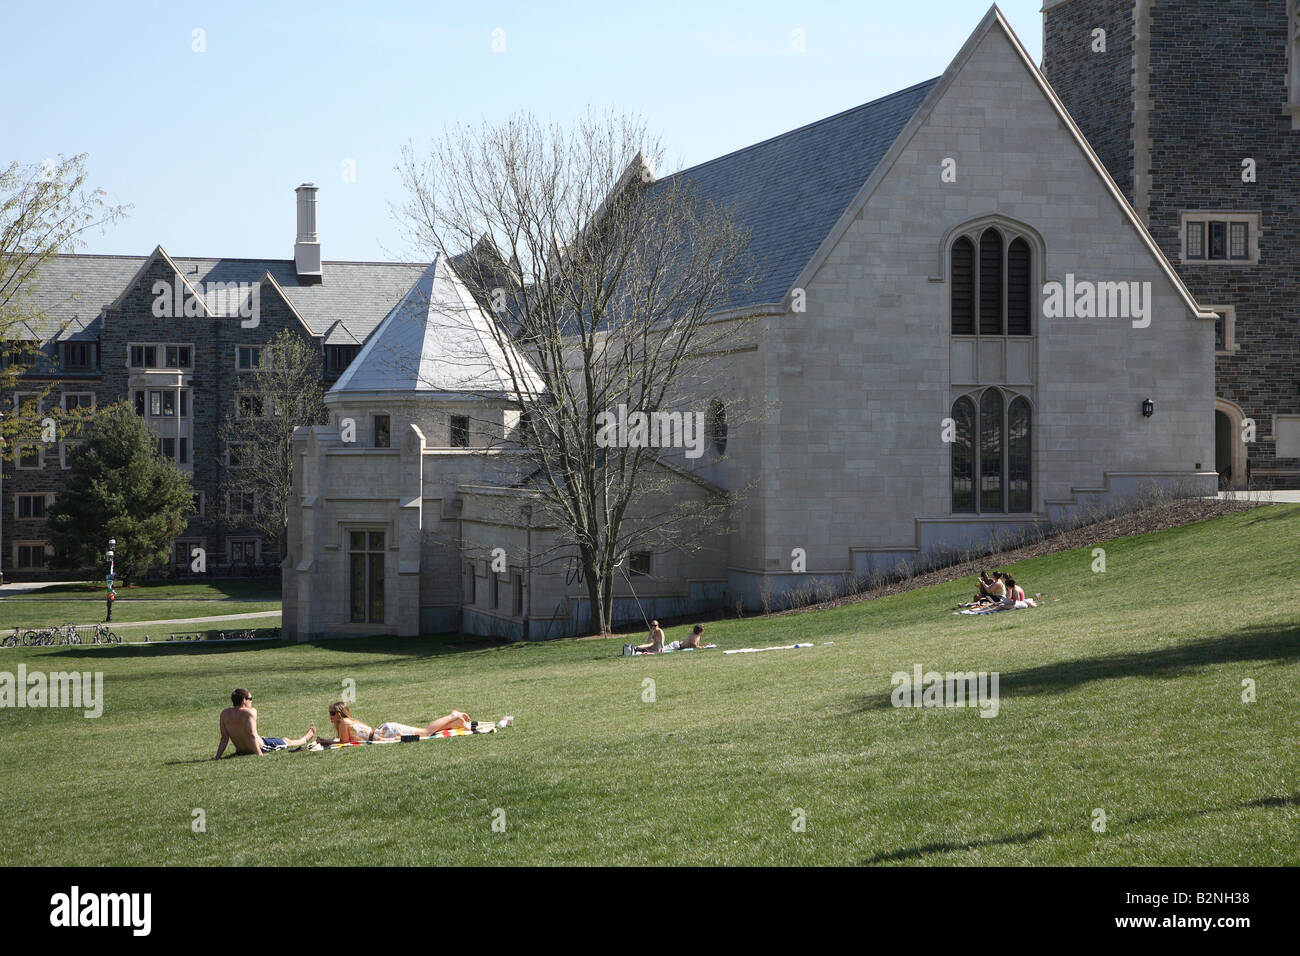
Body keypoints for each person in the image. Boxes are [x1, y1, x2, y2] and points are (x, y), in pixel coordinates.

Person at [215, 688, 315, 758]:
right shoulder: (250, 712)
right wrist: (259, 754)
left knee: (264, 738)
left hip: (240, 751)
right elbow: (252, 735)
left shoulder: (225, 713)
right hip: (261, 747)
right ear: (244, 700)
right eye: (250, 699)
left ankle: (303, 739)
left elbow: (224, 738)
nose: (251, 701)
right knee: (285, 741)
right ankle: (304, 740)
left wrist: (217, 757)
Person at [326, 701, 473, 743]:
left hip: (386, 732)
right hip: (385, 730)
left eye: (332, 713)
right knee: (424, 732)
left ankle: (453, 715)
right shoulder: (350, 721)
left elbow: (343, 742)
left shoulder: (344, 723)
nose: (330, 716)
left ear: (339, 714)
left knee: (426, 732)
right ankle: (454, 723)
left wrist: (327, 742)